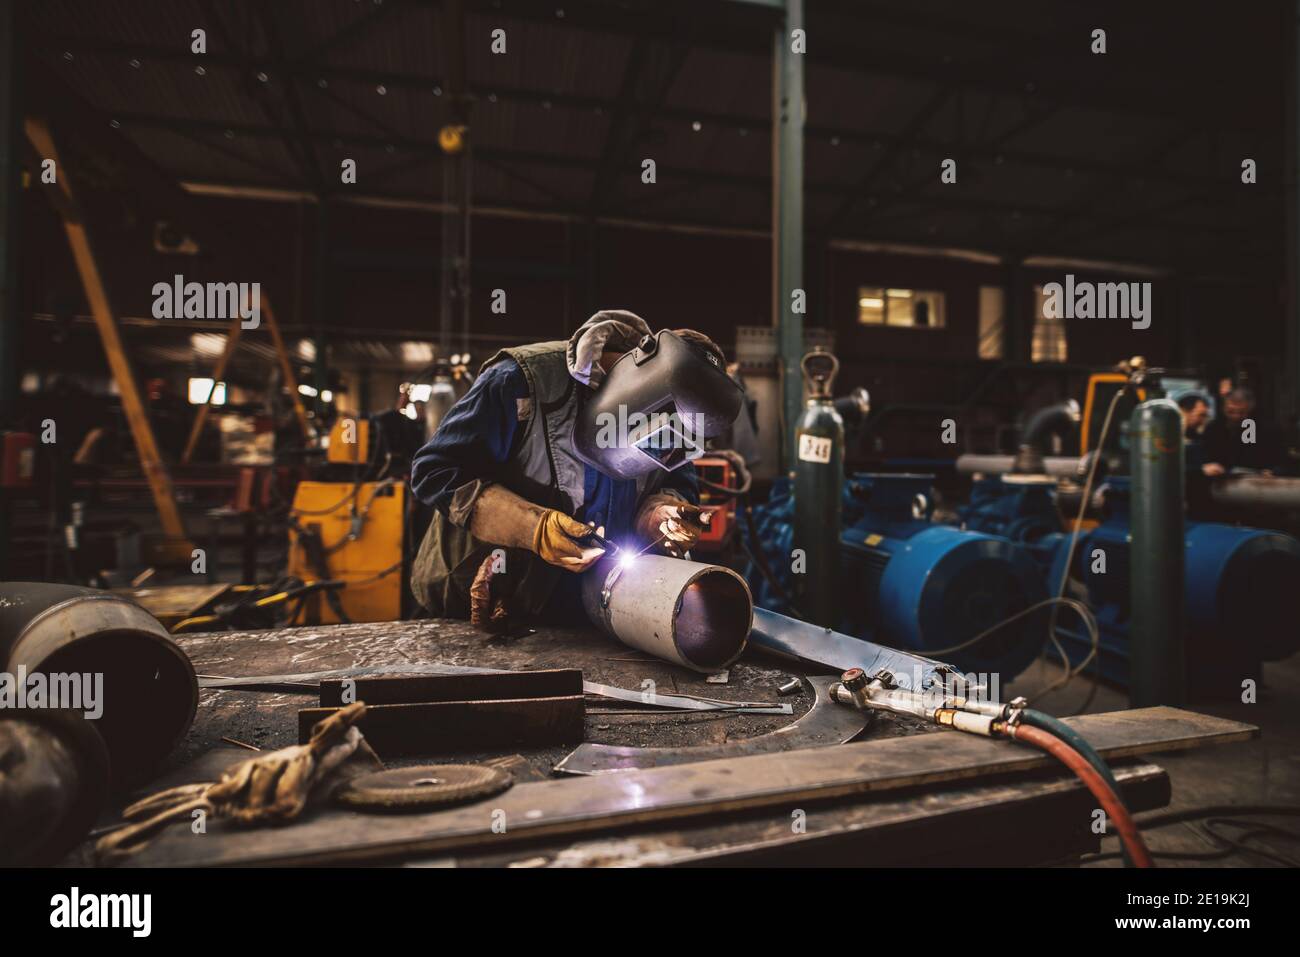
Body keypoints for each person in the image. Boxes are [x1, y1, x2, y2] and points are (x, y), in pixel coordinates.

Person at [408, 310, 743, 632]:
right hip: (480, 606)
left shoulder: (677, 419)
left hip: (590, 619)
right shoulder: (522, 382)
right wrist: (531, 526)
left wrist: (661, 516)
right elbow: (435, 472)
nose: (668, 446)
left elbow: (675, 482)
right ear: (641, 379)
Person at [1201, 387, 1283, 476]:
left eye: (1241, 412)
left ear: (1250, 410)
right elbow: (1205, 458)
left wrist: (1273, 471)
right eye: (1230, 411)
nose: (1235, 416)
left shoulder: (1266, 430)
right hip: (1219, 481)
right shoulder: (1213, 428)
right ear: (1223, 408)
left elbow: (1281, 462)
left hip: (1256, 482)